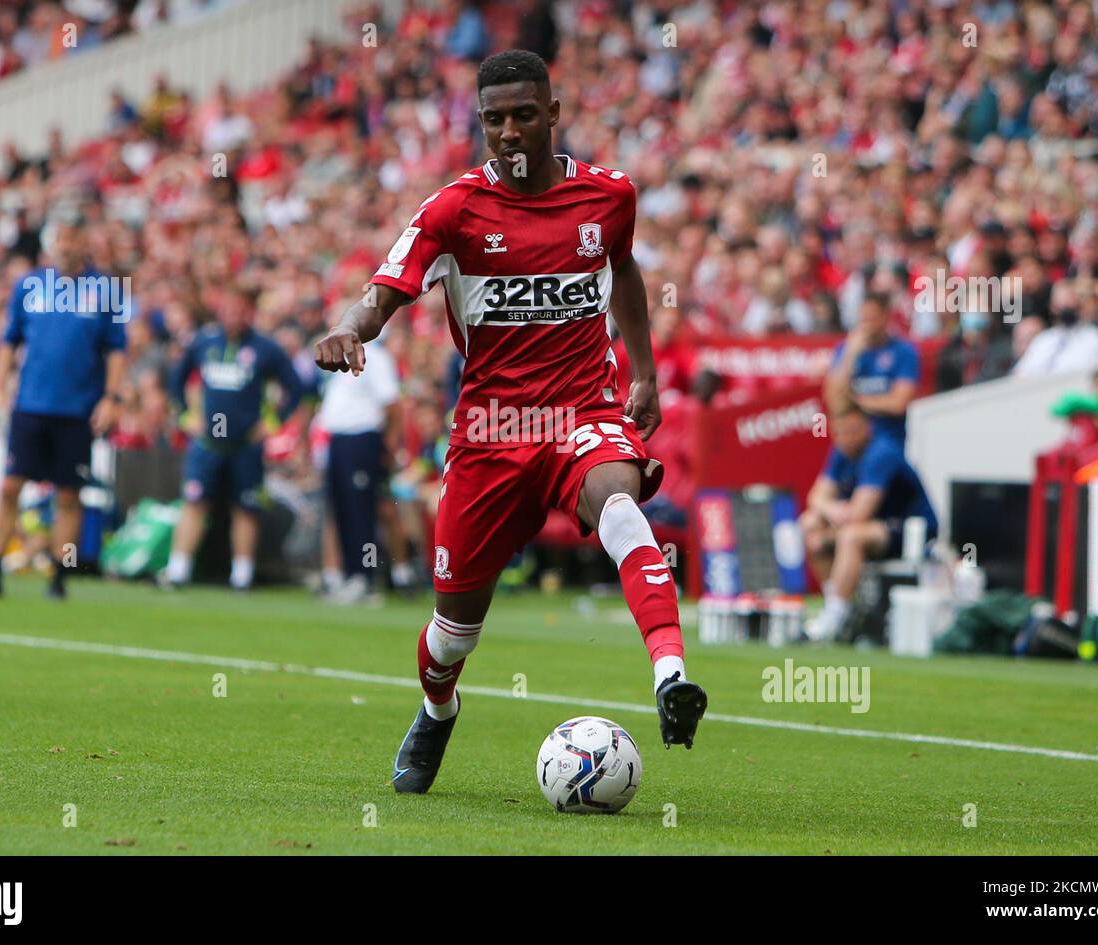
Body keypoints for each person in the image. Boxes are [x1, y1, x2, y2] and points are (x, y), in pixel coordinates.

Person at [313, 50, 706, 795]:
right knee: (452, 630)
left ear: (553, 115)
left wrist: (645, 370)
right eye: (494, 119)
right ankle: (437, 708)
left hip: (579, 412)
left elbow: (622, 269)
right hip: (490, 434)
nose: (510, 131)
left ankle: (671, 676)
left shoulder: (608, 196)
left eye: (525, 114)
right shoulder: (452, 210)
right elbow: (382, 292)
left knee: (620, 501)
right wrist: (349, 330)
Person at [0, 225, 127, 598]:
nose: (66, 246)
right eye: (61, 238)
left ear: (85, 242)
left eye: (73, 237)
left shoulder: (104, 290)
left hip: (76, 409)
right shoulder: (29, 285)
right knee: (11, 486)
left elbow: (117, 349)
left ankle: (61, 573)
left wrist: (111, 397)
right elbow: (10, 340)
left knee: (69, 494)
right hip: (31, 404)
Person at [164, 286, 308, 591]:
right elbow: (175, 380)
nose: (233, 315)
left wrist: (272, 422)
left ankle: (242, 575)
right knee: (194, 502)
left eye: (239, 310)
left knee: (245, 508)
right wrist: (184, 416)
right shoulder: (203, 342)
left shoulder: (266, 348)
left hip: (245, 445)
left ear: (249, 312)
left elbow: (297, 388)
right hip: (207, 444)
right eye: (228, 309)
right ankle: (178, 570)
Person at [799, 402, 938, 641]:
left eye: (851, 430)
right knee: (809, 525)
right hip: (869, 526)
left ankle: (834, 621)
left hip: (911, 530)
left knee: (851, 535)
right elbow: (816, 497)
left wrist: (832, 513)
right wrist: (833, 511)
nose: (845, 438)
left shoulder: (882, 453)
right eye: (840, 432)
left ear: (866, 427)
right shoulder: (840, 452)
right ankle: (840, 607)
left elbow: (858, 515)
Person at [313, 329, 407, 602]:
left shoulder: (375, 357)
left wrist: (388, 447)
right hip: (340, 440)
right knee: (342, 510)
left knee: (361, 512)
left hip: (362, 439)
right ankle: (350, 574)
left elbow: (392, 405)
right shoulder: (347, 358)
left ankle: (365, 577)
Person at [823, 292, 919, 447]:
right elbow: (833, 399)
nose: (866, 324)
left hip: (888, 437)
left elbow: (898, 404)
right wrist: (850, 355)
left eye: (871, 319)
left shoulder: (903, 351)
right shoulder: (847, 349)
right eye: (863, 318)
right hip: (851, 440)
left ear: (885, 318)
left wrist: (855, 401)